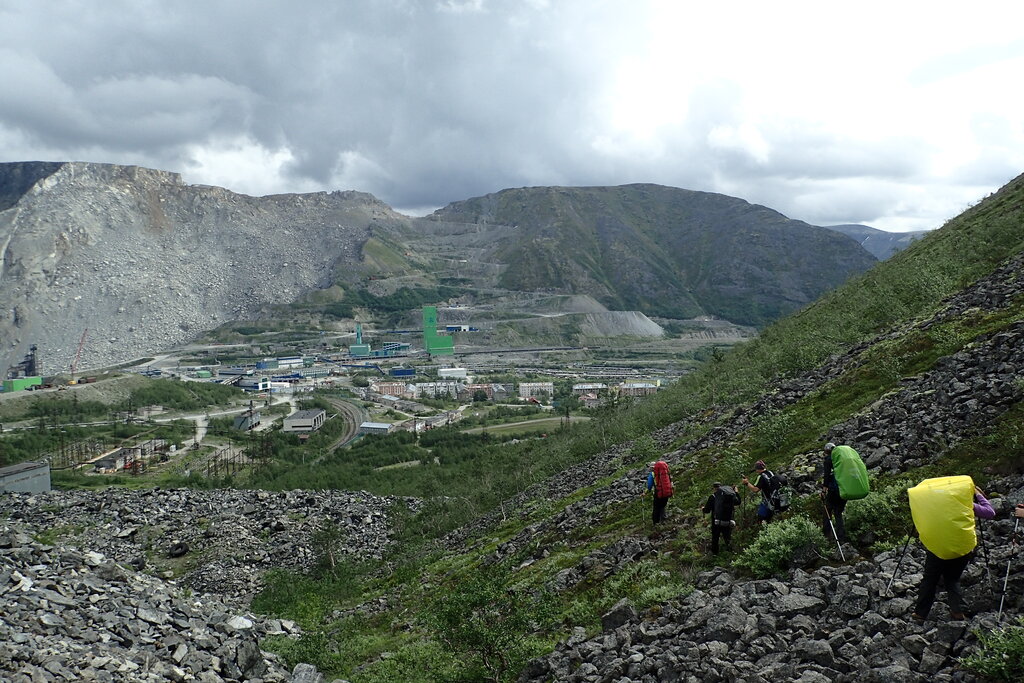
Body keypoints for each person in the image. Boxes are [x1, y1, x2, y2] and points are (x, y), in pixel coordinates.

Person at [912, 486, 995, 621]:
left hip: (937, 546)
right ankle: (957, 611)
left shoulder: (934, 505)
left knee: (929, 579)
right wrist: (978, 495)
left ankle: (920, 613)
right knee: (952, 579)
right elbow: (990, 512)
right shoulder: (965, 504)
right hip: (961, 547)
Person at [702, 482, 740, 554]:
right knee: (727, 537)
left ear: (714, 488)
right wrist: (736, 493)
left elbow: (707, 510)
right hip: (728, 520)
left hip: (716, 521)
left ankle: (715, 554)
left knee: (715, 537)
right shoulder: (729, 496)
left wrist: (703, 509)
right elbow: (738, 502)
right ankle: (730, 553)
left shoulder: (713, 497)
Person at [821, 443, 848, 543]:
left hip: (834, 490)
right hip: (845, 488)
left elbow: (827, 476)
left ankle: (827, 536)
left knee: (827, 509)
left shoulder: (829, 460)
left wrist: (824, 490)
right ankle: (841, 538)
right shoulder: (842, 460)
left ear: (826, 451)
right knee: (838, 513)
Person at [645, 460, 673, 525]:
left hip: (658, 492)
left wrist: (645, 493)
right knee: (663, 506)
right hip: (666, 491)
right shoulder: (664, 472)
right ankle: (664, 520)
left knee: (656, 508)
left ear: (652, 468)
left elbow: (649, 485)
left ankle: (656, 523)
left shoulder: (652, 474)